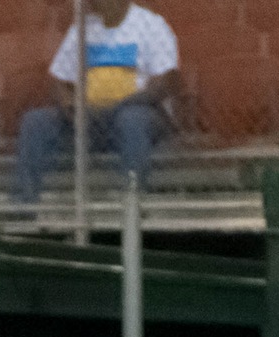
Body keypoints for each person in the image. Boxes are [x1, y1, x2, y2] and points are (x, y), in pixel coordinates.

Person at [10, 0, 179, 205]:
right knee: (35, 122)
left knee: (132, 119)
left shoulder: (151, 25)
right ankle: (22, 206)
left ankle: (130, 206)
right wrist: (69, 105)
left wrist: (116, 107)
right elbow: (59, 80)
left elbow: (163, 84)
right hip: (89, 119)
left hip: (135, 116)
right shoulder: (83, 29)